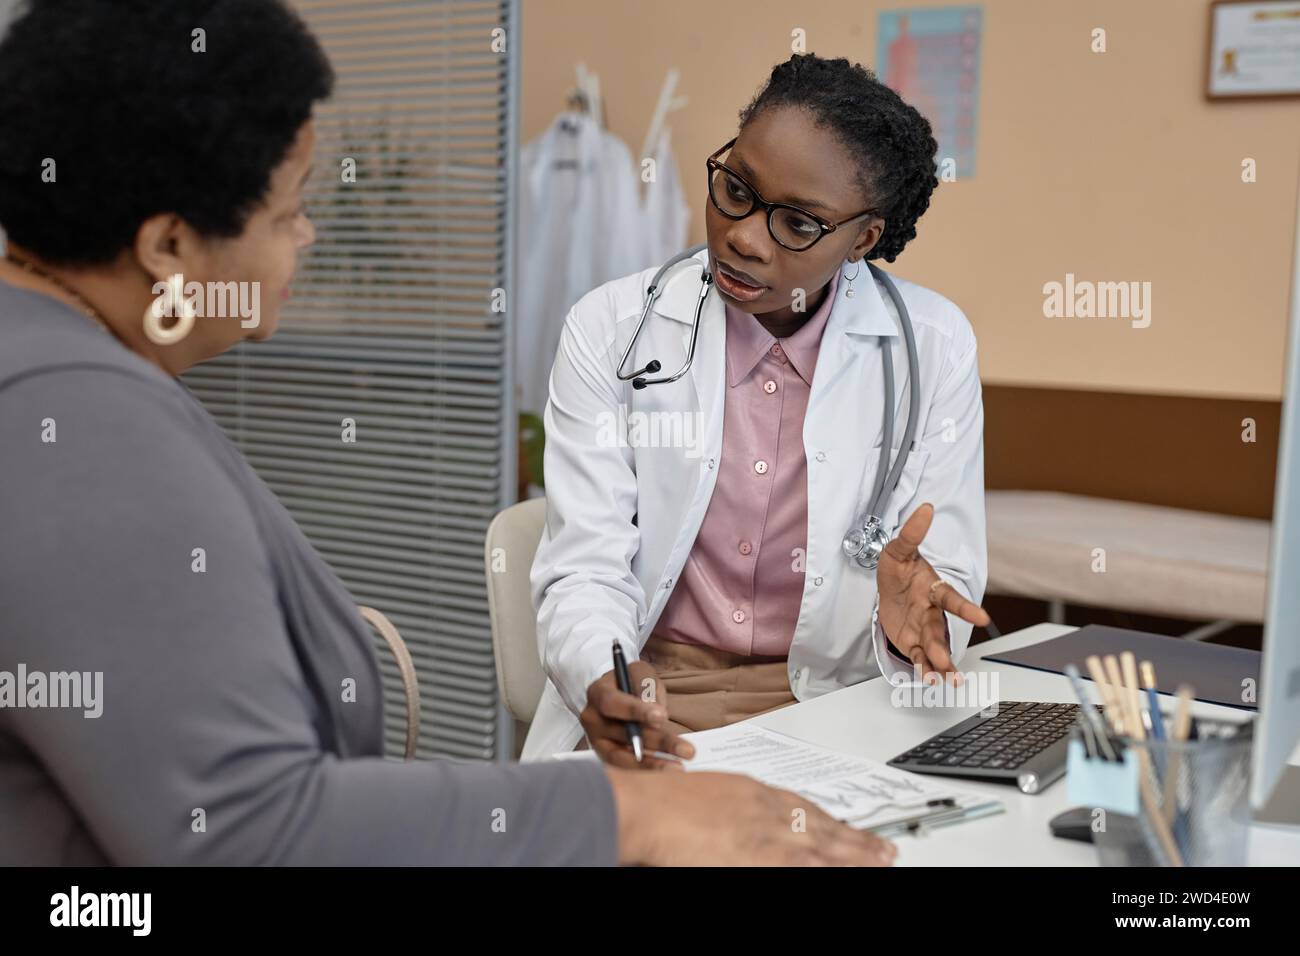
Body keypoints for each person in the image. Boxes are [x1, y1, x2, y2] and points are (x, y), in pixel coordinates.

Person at [0, 0, 895, 867]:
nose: (308, 235)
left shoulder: (57, 371)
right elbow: (249, 830)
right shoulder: (82, 429)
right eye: (288, 210)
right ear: (167, 245)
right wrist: (629, 813)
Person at [526, 54, 990, 764]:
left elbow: (941, 581)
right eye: (735, 189)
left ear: (863, 239)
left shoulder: (932, 346)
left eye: (798, 225)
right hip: (655, 693)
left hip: (835, 705)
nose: (743, 235)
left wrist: (907, 629)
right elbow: (585, 566)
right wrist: (606, 674)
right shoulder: (611, 329)